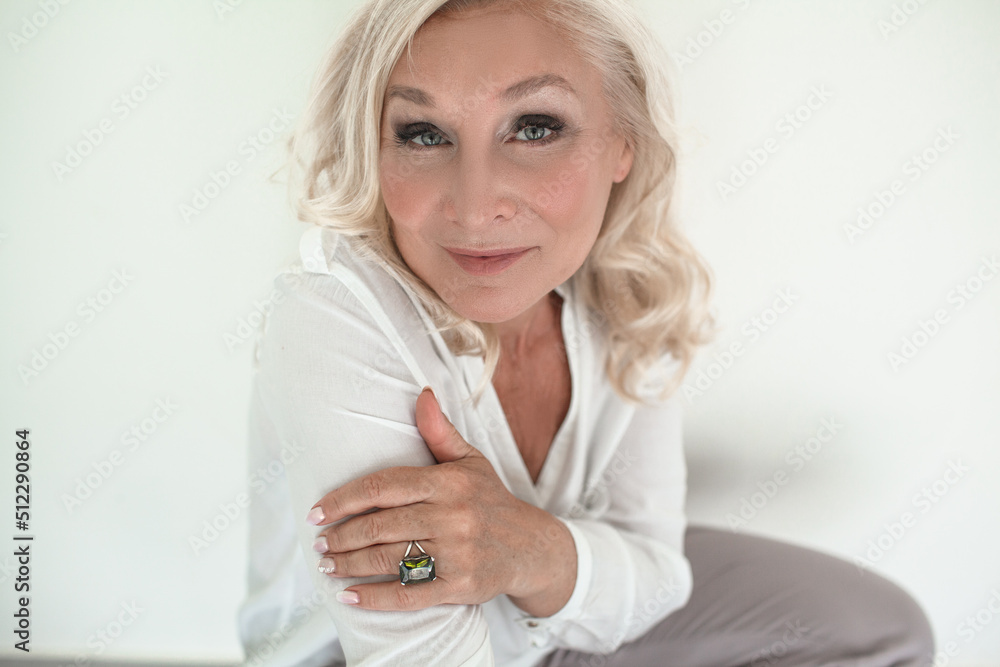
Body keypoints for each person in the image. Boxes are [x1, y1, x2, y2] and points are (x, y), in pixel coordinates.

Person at [237, 0, 936, 665]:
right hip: (354, 654)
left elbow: (657, 570)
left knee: (878, 634)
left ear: (622, 144)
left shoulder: (626, 298)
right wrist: (485, 553)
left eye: (535, 126)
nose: (476, 207)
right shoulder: (334, 317)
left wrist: (529, 549)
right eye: (424, 134)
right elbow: (411, 624)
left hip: (554, 629)